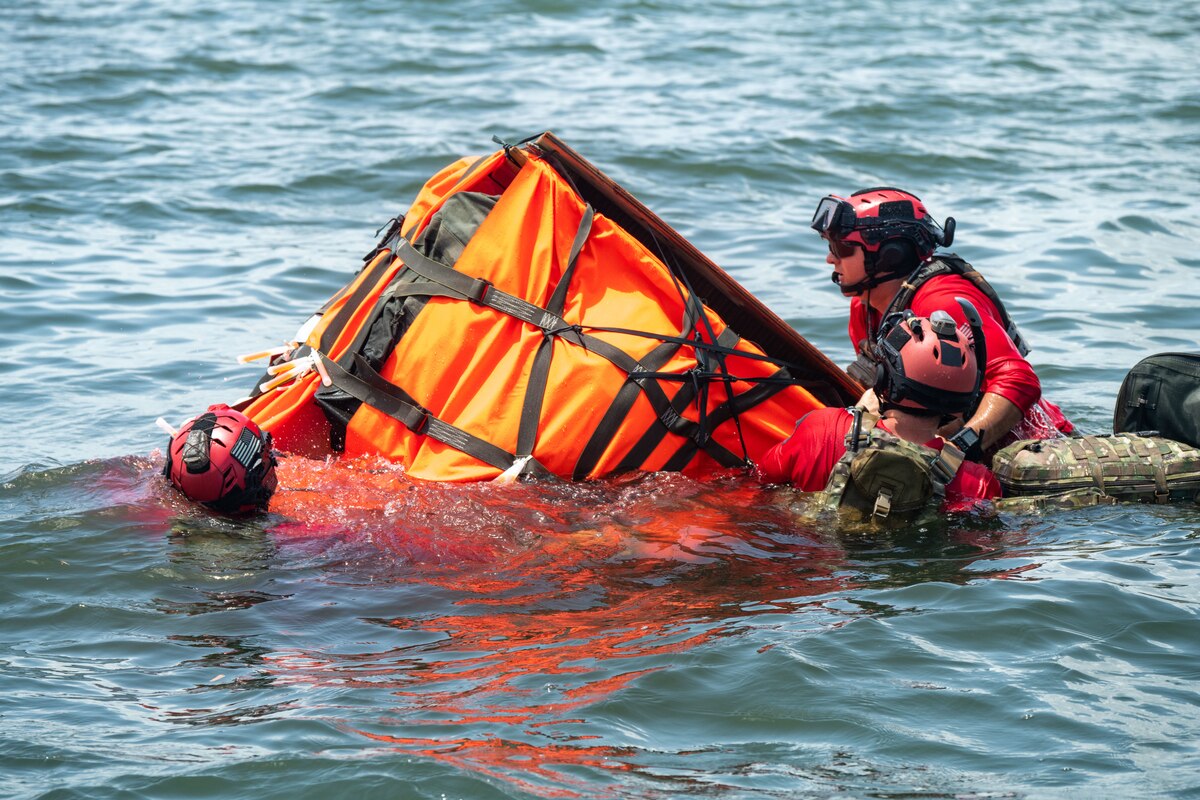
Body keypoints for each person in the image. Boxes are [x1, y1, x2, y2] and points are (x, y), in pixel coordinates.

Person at [809, 187, 1073, 461]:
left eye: (842, 248)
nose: (830, 258)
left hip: (1034, 450)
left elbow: (1019, 381)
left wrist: (955, 452)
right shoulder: (864, 305)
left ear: (891, 254)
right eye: (830, 246)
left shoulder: (942, 304)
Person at [758, 306, 1001, 514]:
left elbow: (763, 478)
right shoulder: (978, 484)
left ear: (885, 378)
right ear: (962, 401)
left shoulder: (821, 429)